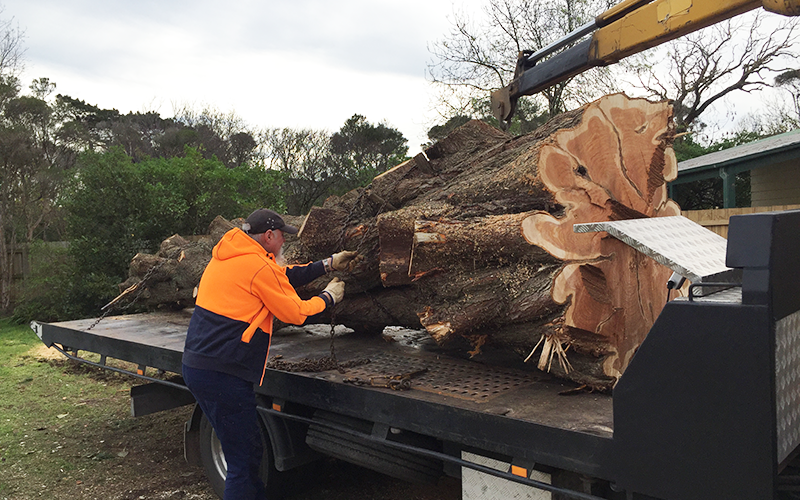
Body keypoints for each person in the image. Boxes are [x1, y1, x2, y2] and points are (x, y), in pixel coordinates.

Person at [181, 208, 358, 499]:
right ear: (269, 235)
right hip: (223, 373)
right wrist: (328, 297)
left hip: (200, 366)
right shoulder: (257, 267)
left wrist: (327, 264)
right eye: (282, 237)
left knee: (248, 451)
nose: (284, 242)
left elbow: (281, 276)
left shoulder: (232, 255)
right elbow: (296, 312)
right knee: (242, 461)